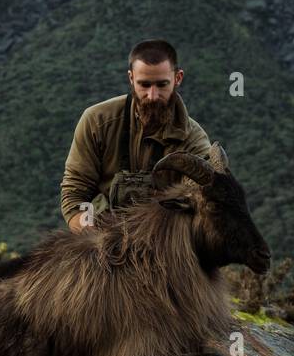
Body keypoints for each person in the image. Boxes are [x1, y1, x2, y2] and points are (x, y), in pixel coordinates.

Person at [60, 39, 211, 231]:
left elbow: (203, 202)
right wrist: (98, 240)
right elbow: (74, 196)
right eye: (144, 85)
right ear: (131, 78)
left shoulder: (193, 140)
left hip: (164, 243)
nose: (153, 95)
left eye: (162, 85)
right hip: (100, 239)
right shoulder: (96, 121)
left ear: (178, 78)